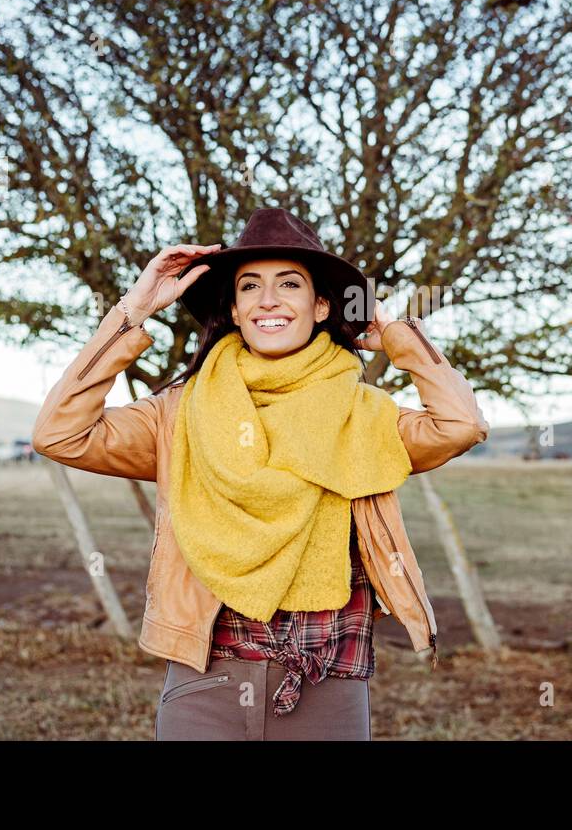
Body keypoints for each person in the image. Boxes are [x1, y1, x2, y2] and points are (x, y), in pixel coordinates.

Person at [32, 207, 490, 740]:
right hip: (204, 686)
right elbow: (59, 433)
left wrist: (398, 335)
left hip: (329, 688)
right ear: (234, 307)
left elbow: (461, 425)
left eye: (289, 284)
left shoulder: (366, 415)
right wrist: (133, 310)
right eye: (250, 286)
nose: (268, 299)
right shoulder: (178, 415)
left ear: (321, 306)